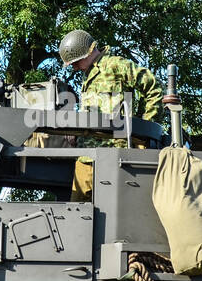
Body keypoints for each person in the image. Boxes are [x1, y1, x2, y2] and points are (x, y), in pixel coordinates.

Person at [58, 29, 163, 200]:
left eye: (76, 62)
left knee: (113, 210)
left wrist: (146, 130)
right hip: (87, 155)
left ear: (89, 52)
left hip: (114, 155)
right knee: (77, 212)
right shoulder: (88, 76)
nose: (75, 67)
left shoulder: (116, 65)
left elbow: (154, 87)